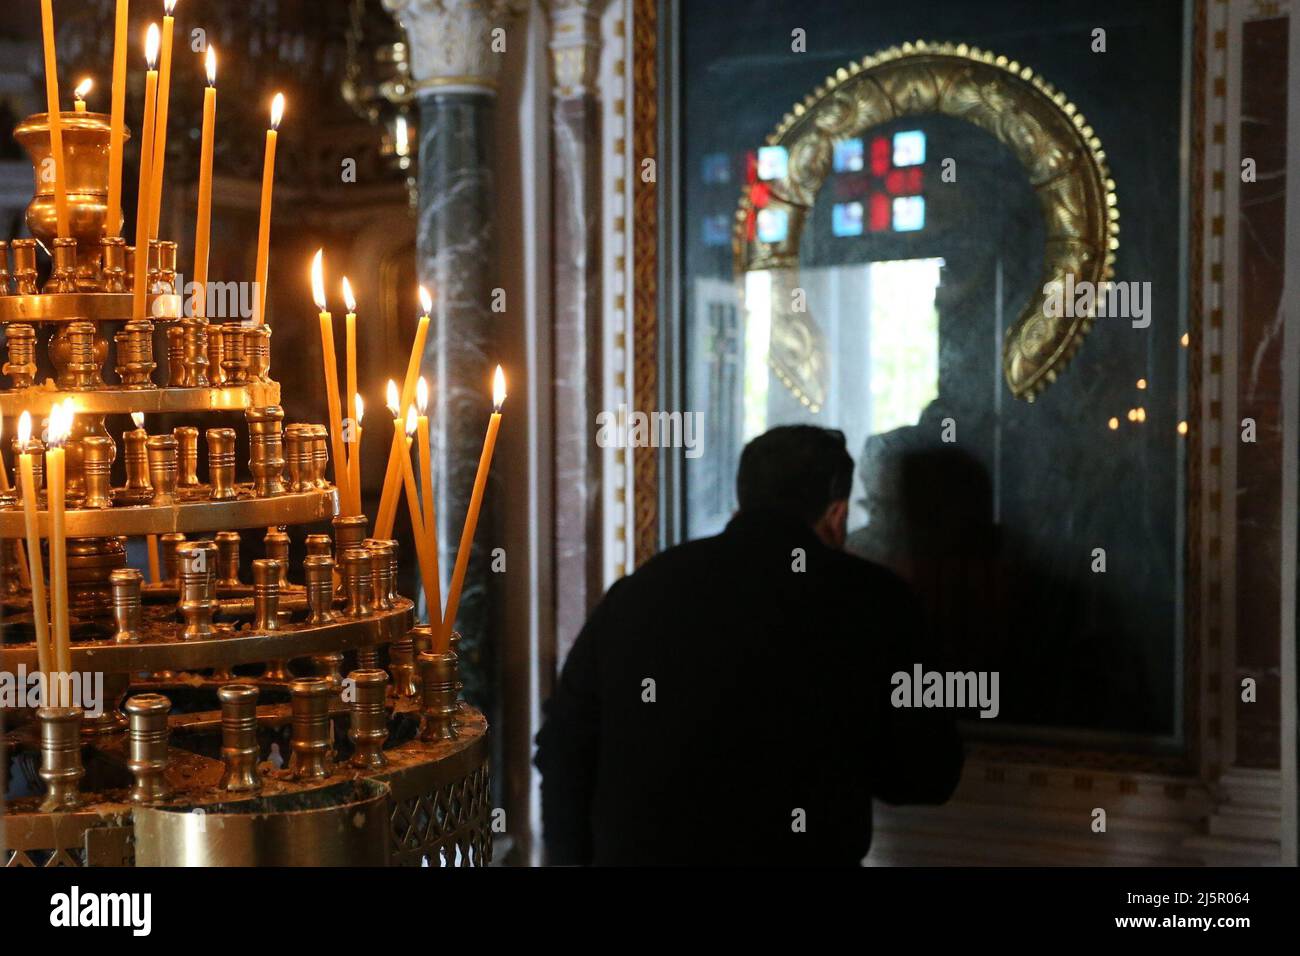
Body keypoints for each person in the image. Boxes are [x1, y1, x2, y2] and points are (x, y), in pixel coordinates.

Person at [535, 425, 963, 865]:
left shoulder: (639, 590)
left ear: (742, 499)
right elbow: (929, 773)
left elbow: (562, 746)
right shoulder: (876, 600)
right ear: (837, 514)